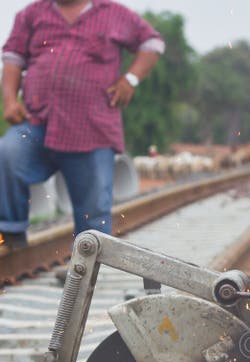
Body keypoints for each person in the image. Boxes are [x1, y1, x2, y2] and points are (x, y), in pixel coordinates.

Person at [0, 0, 164, 250]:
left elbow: (152, 43)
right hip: (38, 121)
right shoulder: (33, 14)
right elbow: (13, 57)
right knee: (8, 152)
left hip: (92, 129)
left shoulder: (112, 13)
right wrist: (11, 100)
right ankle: (11, 234)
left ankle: (86, 268)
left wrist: (130, 79)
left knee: (93, 210)